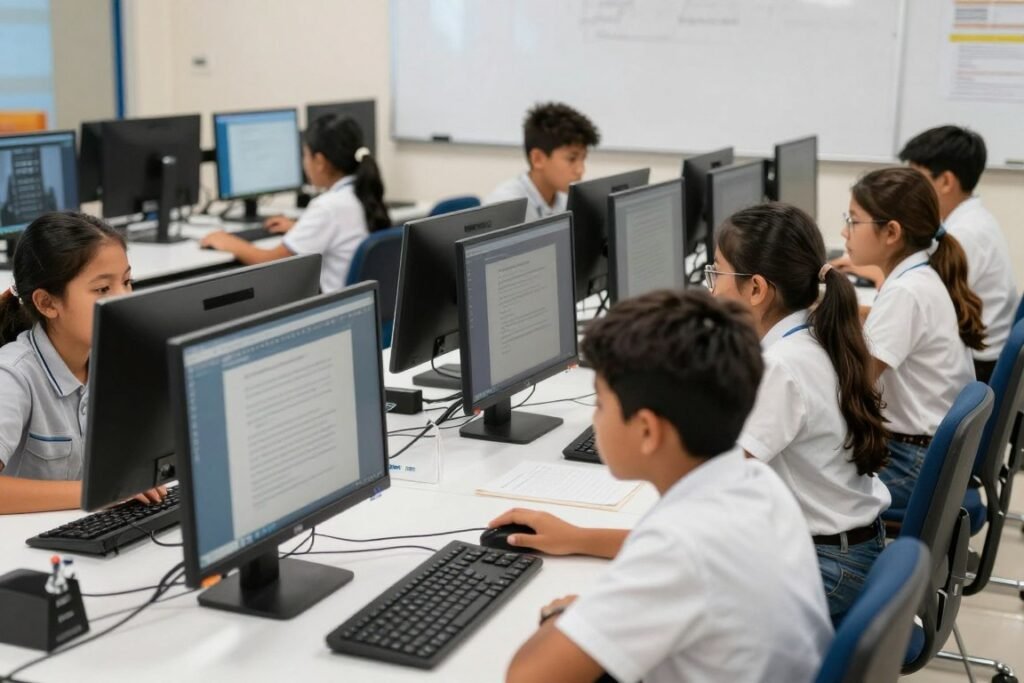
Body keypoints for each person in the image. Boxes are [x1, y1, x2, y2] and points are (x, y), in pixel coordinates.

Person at [504, 290, 832, 683]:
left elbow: (527, 677)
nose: (595, 418)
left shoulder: (680, 546)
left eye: (601, 404)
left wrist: (563, 616)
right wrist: (582, 544)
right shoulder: (758, 483)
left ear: (647, 430)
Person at [0, 212, 164, 514]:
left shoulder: (114, 363)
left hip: (82, 531)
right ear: (47, 303)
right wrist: (101, 491)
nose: (124, 298)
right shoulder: (12, 376)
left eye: (127, 281)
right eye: (102, 289)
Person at [845, 167, 983, 512]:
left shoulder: (906, 292)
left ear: (891, 232)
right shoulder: (919, 275)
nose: (844, 231)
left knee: (802, 483)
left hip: (911, 464)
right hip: (926, 453)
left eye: (853, 220)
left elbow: (855, 385)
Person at [201, 114, 390, 293]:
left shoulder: (328, 207)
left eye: (305, 155)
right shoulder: (359, 193)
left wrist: (229, 242)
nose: (303, 162)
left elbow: (269, 263)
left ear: (320, 161)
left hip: (335, 312)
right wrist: (300, 228)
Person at [898, 125, 1017, 382]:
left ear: (946, 182)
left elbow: (925, 304)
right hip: (977, 354)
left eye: (915, 178)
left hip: (977, 367)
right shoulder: (970, 220)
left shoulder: (966, 233)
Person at [486, 102, 600, 219]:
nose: (581, 170)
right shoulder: (503, 207)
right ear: (538, 159)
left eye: (583, 158)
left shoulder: (566, 201)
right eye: (572, 159)